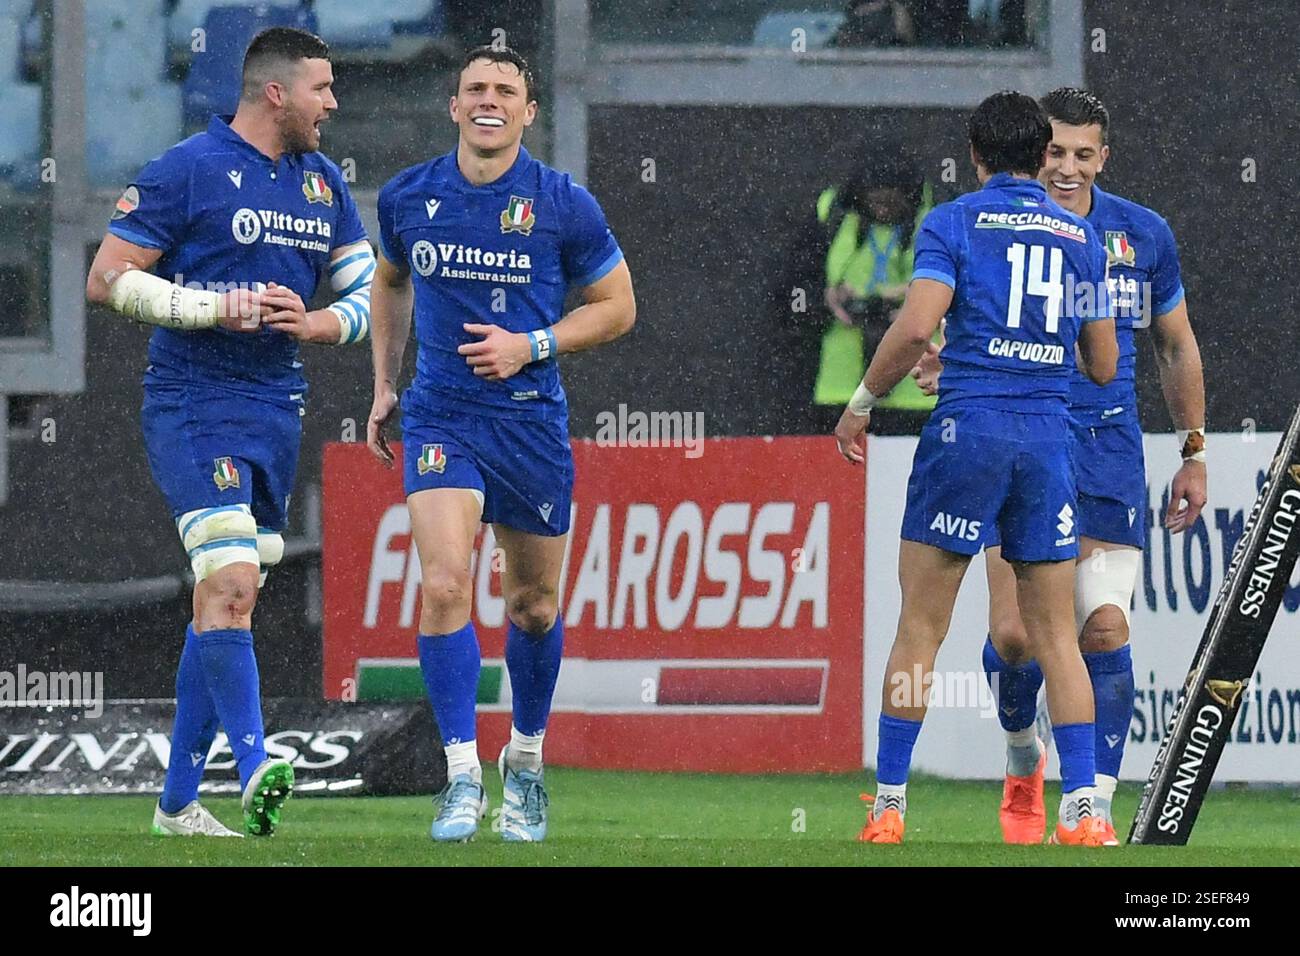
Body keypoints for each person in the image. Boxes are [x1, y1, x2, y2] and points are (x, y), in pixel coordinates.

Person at [86, 28, 374, 837]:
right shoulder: (189, 168)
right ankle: (254, 766)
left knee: (225, 597)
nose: (333, 103)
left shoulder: (323, 183)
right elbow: (107, 278)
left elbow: (368, 294)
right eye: (322, 87)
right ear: (276, 93)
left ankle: (177, 806)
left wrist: (316, 322)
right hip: (193, 399)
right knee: (233, 581)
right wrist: (210, 307)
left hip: (276, 407)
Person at [915, 88, 1206, 844]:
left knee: (1103, 627)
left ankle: (1091, 806)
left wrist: (1195, 450)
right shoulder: (994, 226)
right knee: (1016, 637)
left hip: (1104, 448)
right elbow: (960, 317)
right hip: (1021, 438)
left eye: (1083, 154)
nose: (1067, 168)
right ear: (1033, 153)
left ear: (1104, 157)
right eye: (1055, 153)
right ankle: (1023, 754)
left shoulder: (1142, 235)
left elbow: (1175, 344)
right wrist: (950, 361)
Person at [367, 46, 636, 843]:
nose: (489, 100)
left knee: (533, 606)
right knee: (445, 583)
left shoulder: (562, 203)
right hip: (441, 416)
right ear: (454, 106)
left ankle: (525, 760)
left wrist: (533, 345)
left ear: (528, 112)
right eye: (476, 89)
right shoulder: (408, 196)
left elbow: (618, 306)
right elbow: (389, 279)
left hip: (528, 422)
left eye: (505, 90)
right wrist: (384, 381)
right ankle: (461, 775)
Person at [835, 90, 1118, 846]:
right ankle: (1084, 812)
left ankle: (889, 808)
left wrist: (862, 402)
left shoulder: (953, 222)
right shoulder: (1080, 234)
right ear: (1041, 155)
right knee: (1056, 636)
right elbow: (1102, 363)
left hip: (968, 435)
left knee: (921, 628)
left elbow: (915, 327)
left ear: (975, 155)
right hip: (1046, 441)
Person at [791, 151, 938, 434]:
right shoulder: (832, 213)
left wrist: (923, 304)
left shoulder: (937, 216)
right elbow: (791, 289)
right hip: (841, 388)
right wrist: (824, 300)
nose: (883, 211)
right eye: (875, 202)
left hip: (915, 393)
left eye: (891, 203)